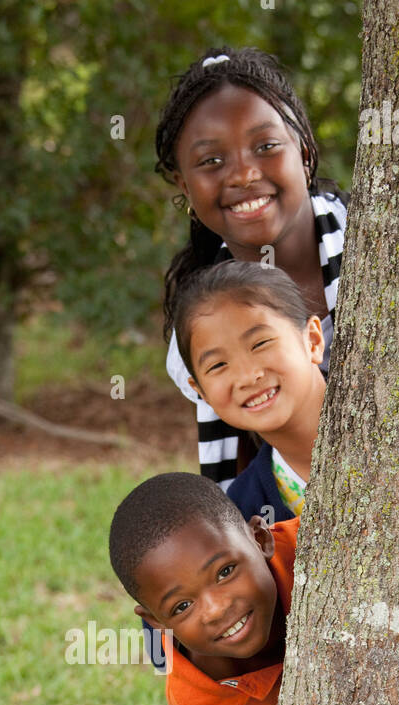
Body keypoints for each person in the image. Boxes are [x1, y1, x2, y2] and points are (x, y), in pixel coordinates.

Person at [155, 45, 347, 488]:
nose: (242, 175)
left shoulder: (382, 249)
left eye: (265, 146)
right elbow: (246, 474)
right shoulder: (201, 329)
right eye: (211, 161)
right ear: (184, 184)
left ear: (303, 150)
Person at [109, 471, 297, 705]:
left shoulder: (320, 555)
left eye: (224, 572)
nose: (215, 609)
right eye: (182, 606)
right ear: (157, 622)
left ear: (260, 539)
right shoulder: (201, 701)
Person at [174, 260, 326, 523]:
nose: (247, 376)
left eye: (260, 343)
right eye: (218, 365)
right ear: (202, 393)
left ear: (312, 340)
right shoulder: (244, 511)